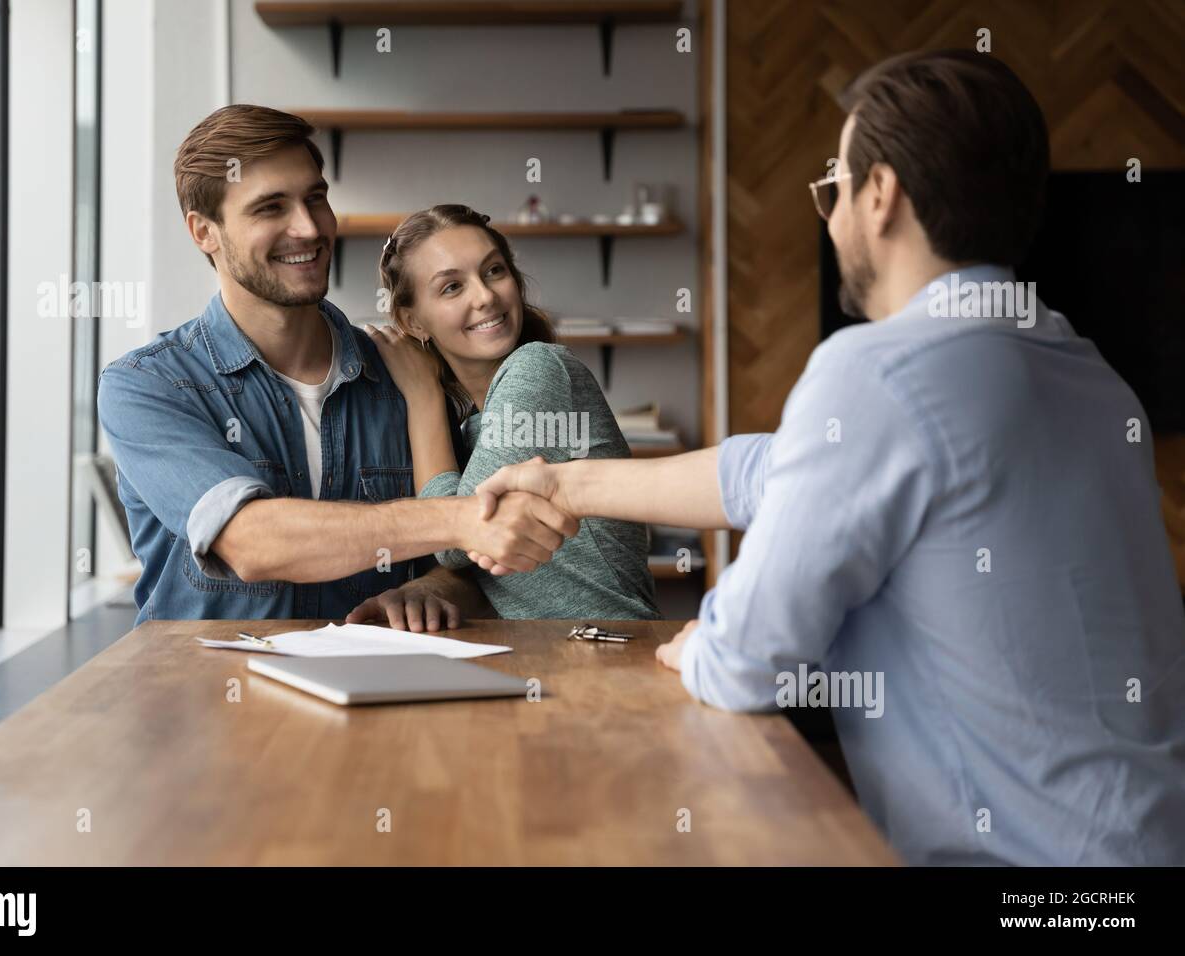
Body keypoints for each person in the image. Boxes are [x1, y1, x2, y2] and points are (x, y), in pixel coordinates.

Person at [470, 50, 1185, 865]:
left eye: (833, 188)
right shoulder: (1087, 376)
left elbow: (747, 663)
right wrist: (566, 482)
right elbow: (772, 471)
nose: (831, 215)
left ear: (879, 194)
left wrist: (700, 641)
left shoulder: (880, 369)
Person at [97, 105, 578, 632]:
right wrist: (464, 521)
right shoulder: (147, 386)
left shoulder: (411, 372)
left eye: (316, 198)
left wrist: (435, 586)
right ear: (204, 232)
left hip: (377, 699)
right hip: (210, 699)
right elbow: (253, 541)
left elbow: (480, 565)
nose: (307, 228)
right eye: (270, 208)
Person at [365, 205, 659, 620]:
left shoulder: (539, 367)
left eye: (494, 271)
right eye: (452, 287)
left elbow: (455, 536)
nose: (485, 296)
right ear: (412, 322)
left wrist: (422, 394)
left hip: (615, 656)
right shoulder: (468, 425)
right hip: (544, 658)